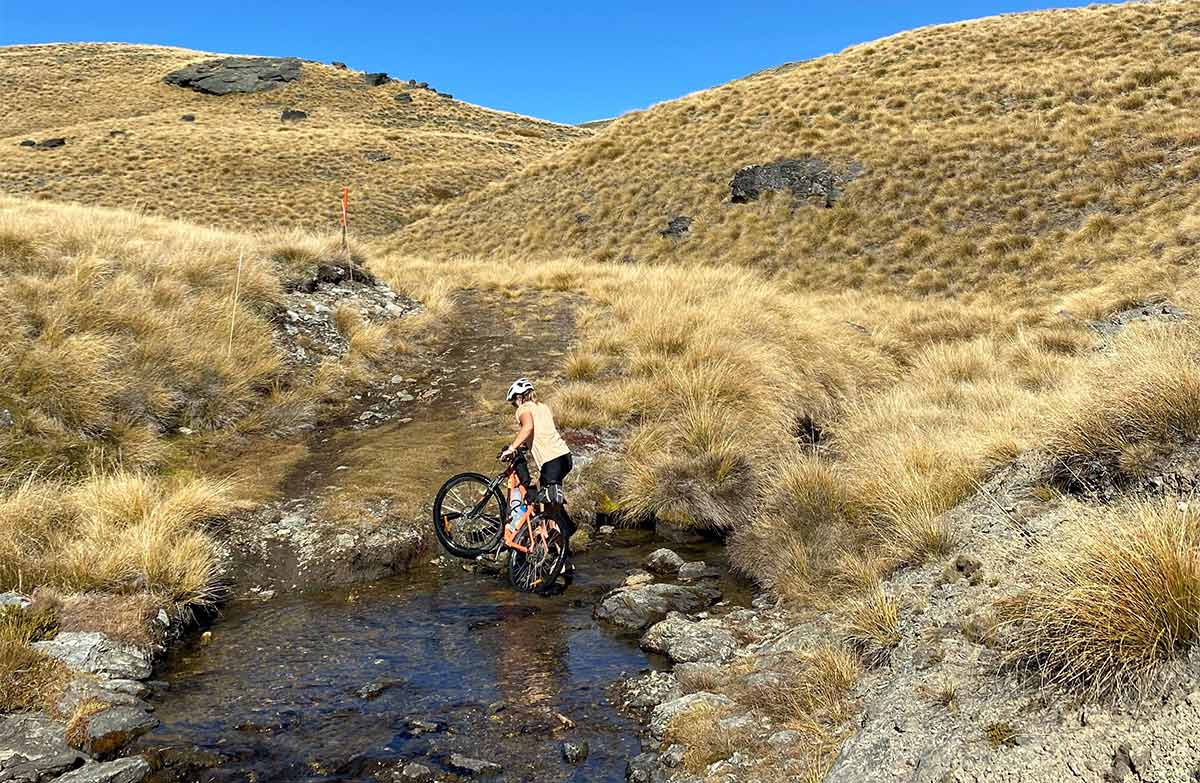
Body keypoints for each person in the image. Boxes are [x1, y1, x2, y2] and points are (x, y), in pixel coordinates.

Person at [499, 378, 576, 574]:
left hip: (551, 461)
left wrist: (512, 448)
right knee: (551, 510)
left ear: (517, 397)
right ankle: (564, 558)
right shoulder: (543, 407)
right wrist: (524, 446)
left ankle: (559, 553)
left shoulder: (523, 408)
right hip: (565, 458)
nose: (514, 406)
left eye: (513, 402)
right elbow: (541, 433)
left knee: (549, 514)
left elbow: (528, 428)